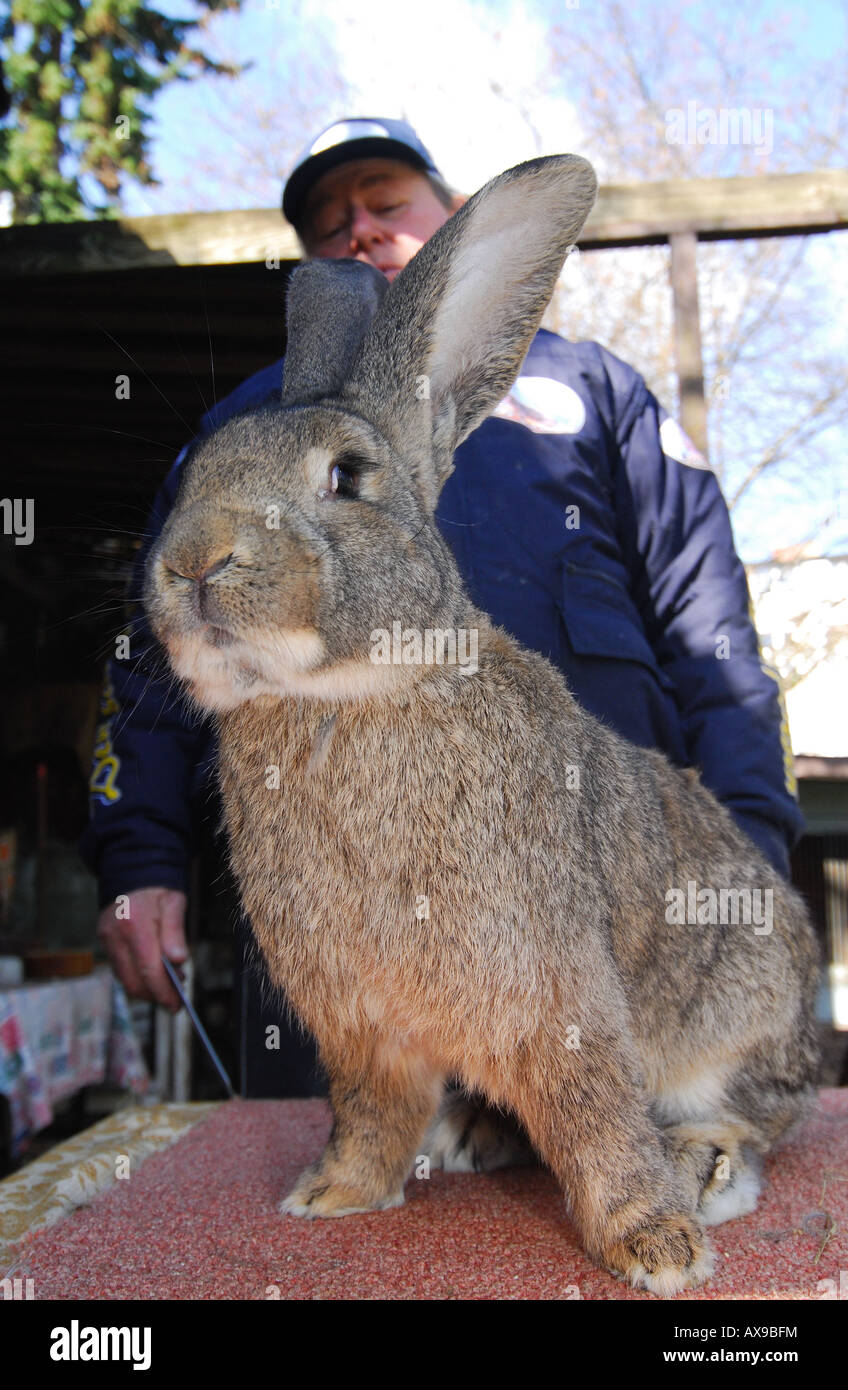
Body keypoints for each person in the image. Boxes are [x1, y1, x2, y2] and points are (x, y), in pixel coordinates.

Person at [80, 117, 804, 1096]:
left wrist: (748, 852)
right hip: (337, 923)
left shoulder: (590, 390)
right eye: (329, 224)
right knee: (349, 1221)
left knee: (626, 1181)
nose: (359, 230)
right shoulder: (244, 425)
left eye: (387, 202)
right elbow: (147, 654)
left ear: (456, 219)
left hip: (602, 905)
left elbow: (705, 626)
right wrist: (139, 859)